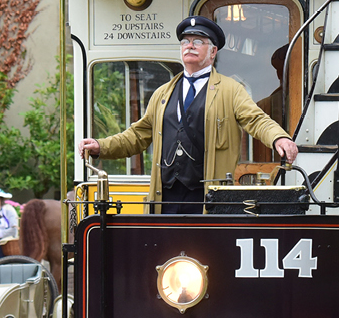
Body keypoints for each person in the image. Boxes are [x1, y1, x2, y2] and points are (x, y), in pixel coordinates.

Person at [78, 16, 300, 214]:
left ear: (213, 52)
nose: (190, 46)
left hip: (205, 197)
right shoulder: (163, 93)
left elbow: (256, 119)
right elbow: (137, 135)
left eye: (198, 42)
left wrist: (278, 137)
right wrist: (100, 146)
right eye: (185, 41)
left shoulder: (230, 90)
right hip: (165, 197)